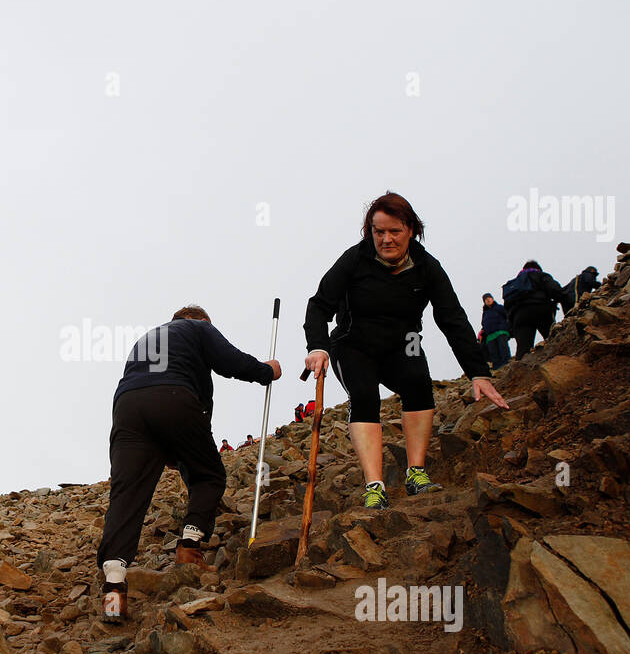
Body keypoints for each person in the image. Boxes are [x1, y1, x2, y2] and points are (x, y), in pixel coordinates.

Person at [304, 192, 508, 509]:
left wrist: (478, 371)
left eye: (394, 231)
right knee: (365, 396)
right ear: (369, 231)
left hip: (404, 343)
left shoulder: (427, 267)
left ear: (411, 229)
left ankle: (416, 474)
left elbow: (452, 318)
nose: (386, 239)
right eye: (378, 231)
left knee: (418, 385)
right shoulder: (354, 260)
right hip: (353, 344)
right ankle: (375, 486)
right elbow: (319, 306)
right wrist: (317, 346)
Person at [94, 305, 280, 623]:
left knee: (126, 496)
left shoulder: (147, 338)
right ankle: (190, 547)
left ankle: (113, 590)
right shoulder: (197, 328)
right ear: (197, 319)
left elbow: (158, 395)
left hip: (127, 407)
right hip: (174, 396)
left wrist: (172, 449)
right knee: (208, 475)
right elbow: (229, 361)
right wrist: (267, 371)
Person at [502, 259, 570, 360]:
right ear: (538, 269)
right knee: (552, 340)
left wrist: (511, 326)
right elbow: (555, 290)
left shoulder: (515, 283)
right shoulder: (541, 275)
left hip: (520, 316)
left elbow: (507, 306)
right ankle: (559, 363)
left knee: (523, 350)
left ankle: (520, 373)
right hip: (540, 309)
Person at [479, 293, 512, 370]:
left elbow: (508, 316)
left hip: (501, 331)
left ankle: (507, 364)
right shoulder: (485, 313)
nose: (488, 300)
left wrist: (507, 327)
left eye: (489, 298)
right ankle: (497, 367)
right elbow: (483, 324)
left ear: (492, 299)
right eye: (486, 299)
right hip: (490, 335)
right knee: (493, 352)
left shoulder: (499, 308)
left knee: (503, 348)